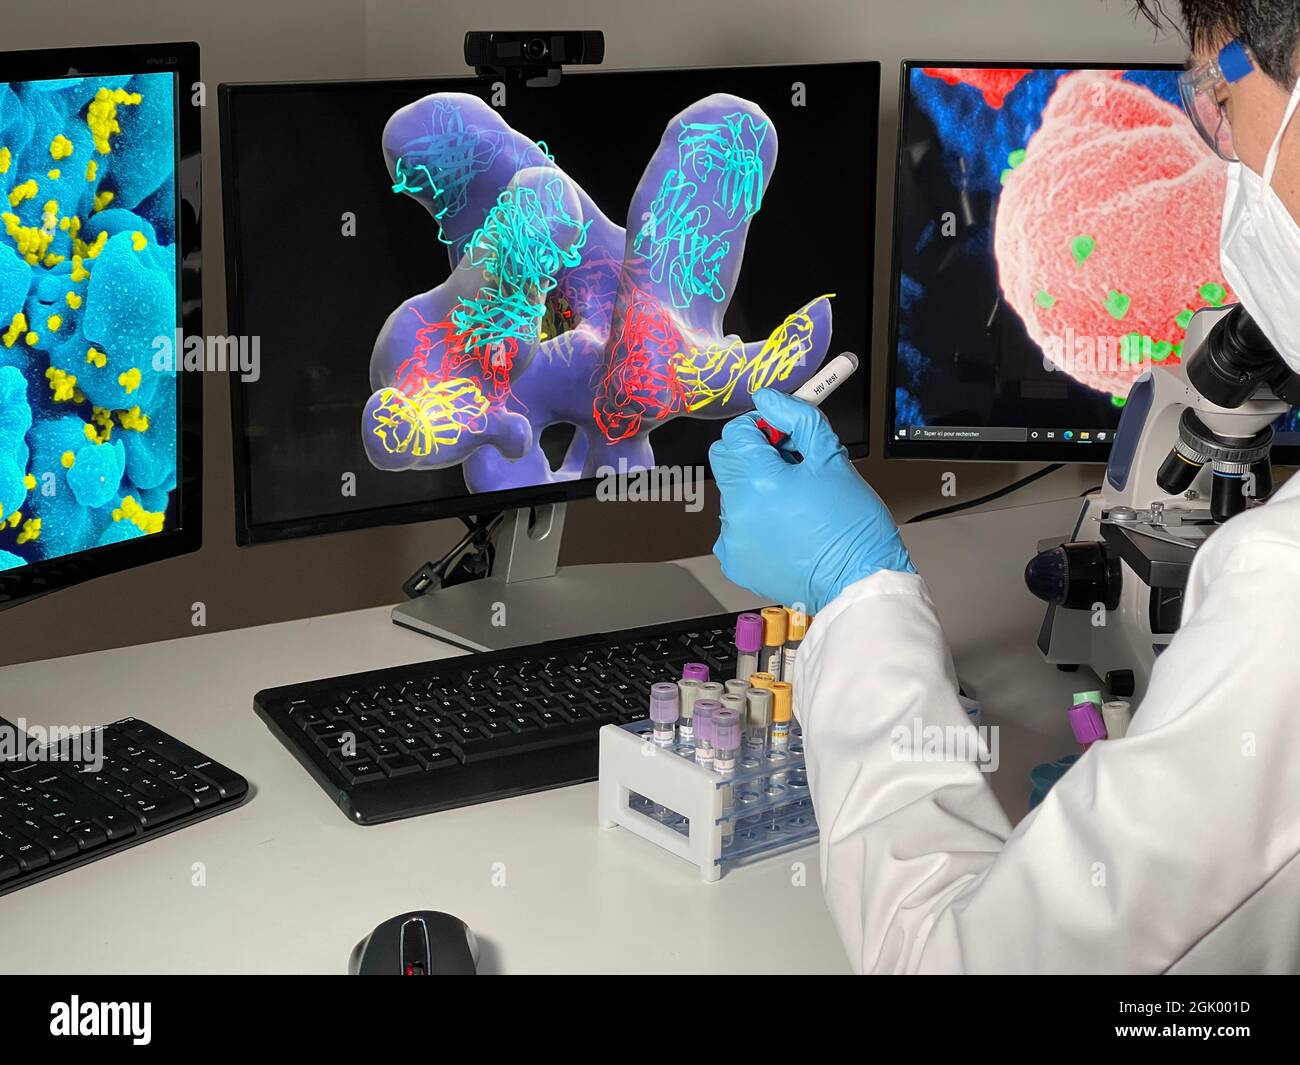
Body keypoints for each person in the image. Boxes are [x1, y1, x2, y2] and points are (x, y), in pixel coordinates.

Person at [709, 0, 1300, 973]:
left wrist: (856, 596)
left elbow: (942, 959)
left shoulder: (1282, 601)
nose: (1220, 152)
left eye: (1223, 105)